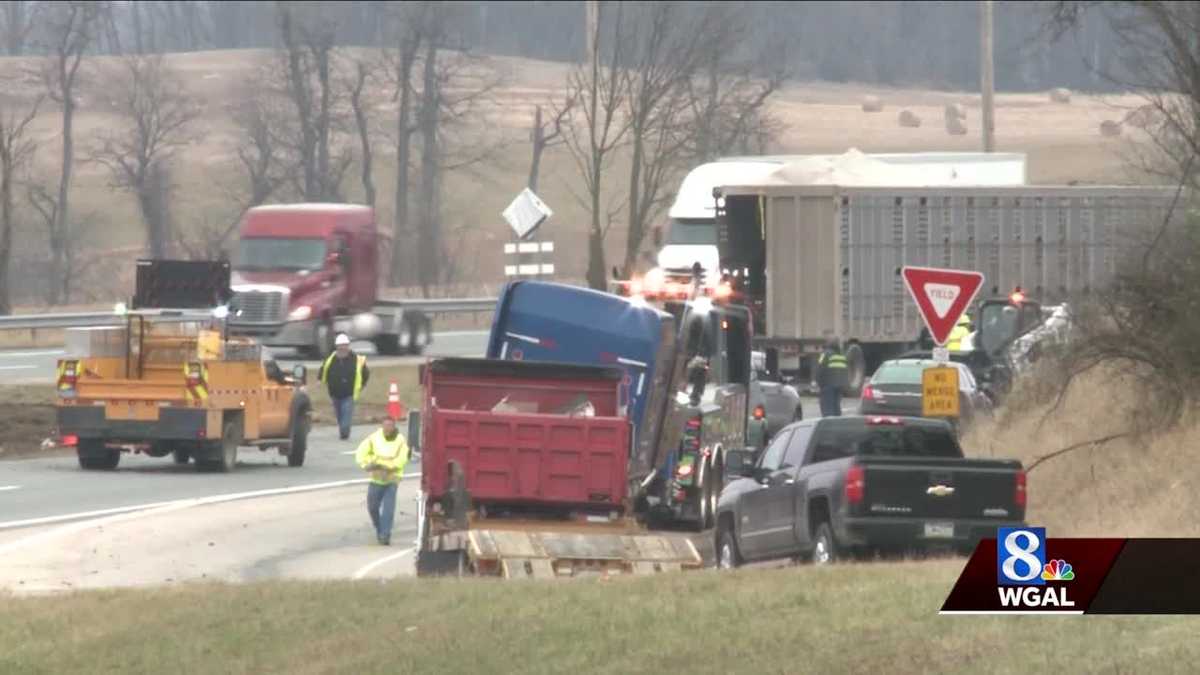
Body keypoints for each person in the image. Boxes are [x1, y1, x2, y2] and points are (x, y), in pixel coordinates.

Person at [354, 416, 411, 546]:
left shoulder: (400, 440)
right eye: (385, 425)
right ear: (381, 426)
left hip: (392, 478)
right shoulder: (373, 438)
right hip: (376, 478)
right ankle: (379, 528)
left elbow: (402, 459)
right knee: (372, 507)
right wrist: (368, 464)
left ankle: (385, 534)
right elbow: (361, 454)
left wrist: (389, 467)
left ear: (394, 426)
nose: (387, 428)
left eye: (390, 425)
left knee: (388, 509)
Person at [319, 333, 370, 440]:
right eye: (340, 345)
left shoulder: (357, 360)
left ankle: (344, 432)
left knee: (346, 418)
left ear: (348, 346)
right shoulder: (330, 359)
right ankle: (343, 428)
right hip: (334, 394)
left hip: (349, 395)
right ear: (336, 346)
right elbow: (323, 370)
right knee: (339, 415)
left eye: (345, 345)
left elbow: (365, 374)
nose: (343, 348)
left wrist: (363, 385)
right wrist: (320, 381)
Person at [813, 338, 848, 417]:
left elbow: (820, 368)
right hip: (840, 385)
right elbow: (846, 370)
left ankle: (828, 425)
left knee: (827, 408)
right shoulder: (842, 356)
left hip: (828, 385)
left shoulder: (826, 354)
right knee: (836, 407)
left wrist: (817, 382)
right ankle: (837, 424)